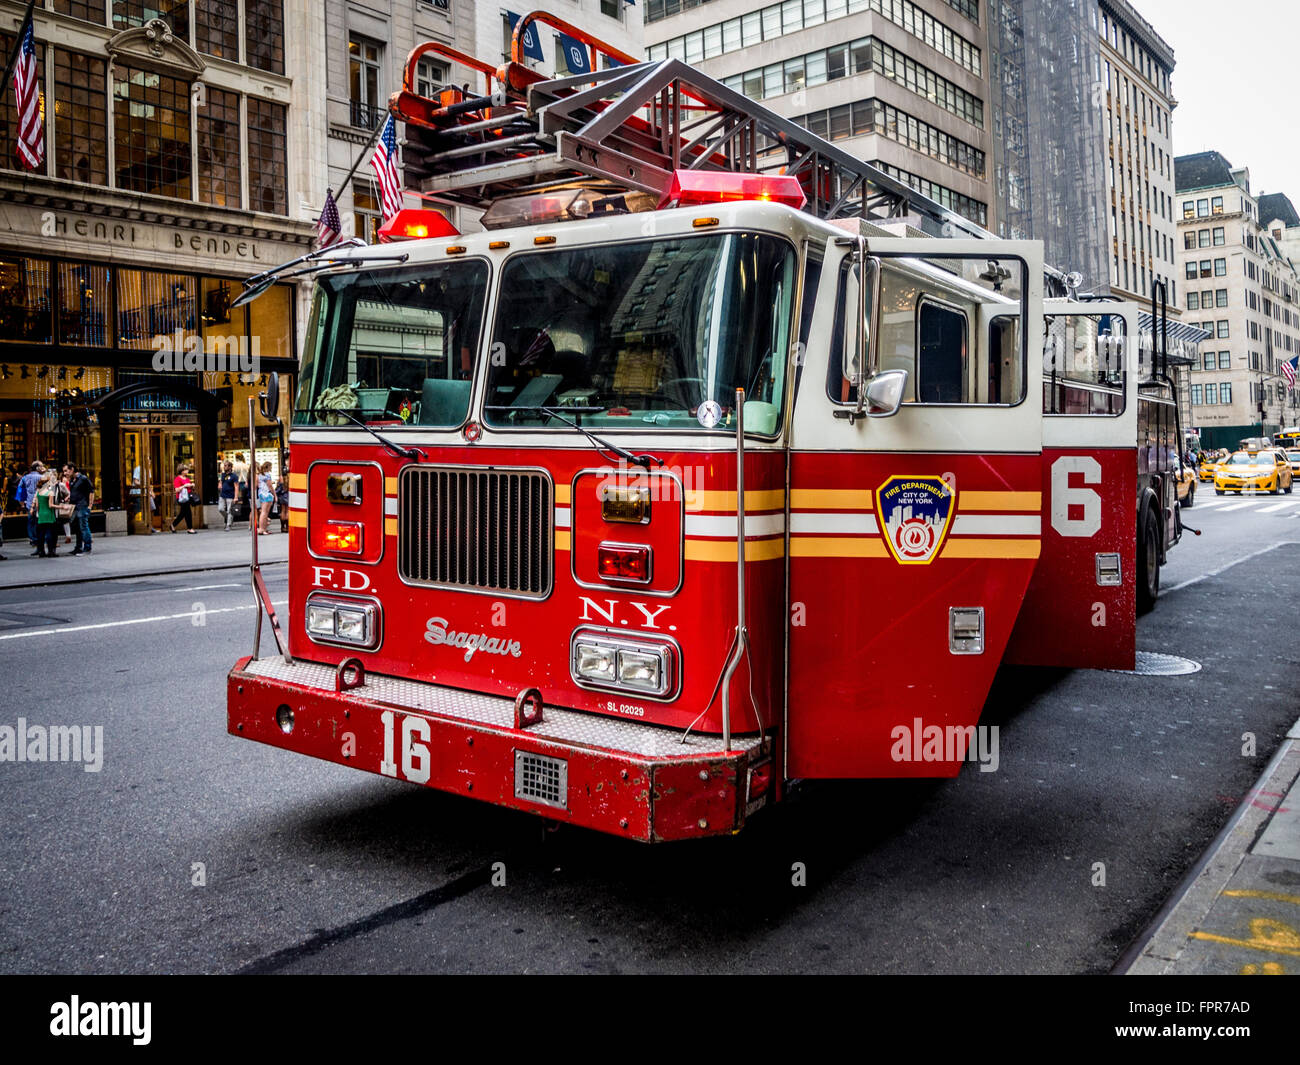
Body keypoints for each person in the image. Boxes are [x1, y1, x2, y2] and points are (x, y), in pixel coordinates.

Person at [33, 470, 67, 558]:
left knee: (42, 533)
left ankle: (42, 551)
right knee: (50, 533)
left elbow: (37, 505)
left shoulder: (39, 491)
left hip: (41, 514)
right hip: (50, 514)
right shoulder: (48, 491)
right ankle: (51, 551)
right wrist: (62, 506)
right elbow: (50, 505)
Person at [65, 463, 94, 555]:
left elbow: (91, 491)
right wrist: (69, 497)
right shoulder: (72, 480)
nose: (66, 473)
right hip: (75, 506)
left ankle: (87, 548)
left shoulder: (83, 479)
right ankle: (78, 547)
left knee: (83, 527)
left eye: (67, 470)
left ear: (72, 469)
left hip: (82, 506)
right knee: (77, 528)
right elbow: (75, 492)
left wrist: (90, 506)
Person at [18, 461, 43, 553]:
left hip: (29, 503)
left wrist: (22, 503)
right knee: (39, 522)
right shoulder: (42, 477)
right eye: (41, 466)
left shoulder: (25, 478)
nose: (43, 467)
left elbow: (20, 490)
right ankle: (40, 540)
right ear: (37, 468)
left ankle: (33, 539)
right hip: (40, 502)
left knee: (31, 521)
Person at [171, 465, 198, 533]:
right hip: (181, 498)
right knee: (188, 512)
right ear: (182, 471)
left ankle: (173, 525)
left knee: (183, 513)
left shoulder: (187, 478)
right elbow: (176, 490)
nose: (187, 471)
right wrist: (184, 486)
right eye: (186, 469)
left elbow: (189, 489)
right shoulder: (177, 479)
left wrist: (192, 486)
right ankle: (190, 528)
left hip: (187, 497)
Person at [218, 460, 239, 530]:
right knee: (220, 509)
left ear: (230, 467)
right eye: (224, 465)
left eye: (226, 465)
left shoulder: (234, 476)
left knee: (229, 510)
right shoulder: (223, 474)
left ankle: (228, 525)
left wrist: (236, 497)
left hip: (230, 495)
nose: (225, 467)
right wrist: (220, 485)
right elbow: (221, 482)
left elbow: (236, 487)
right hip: (222, 495)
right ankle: (229, 518)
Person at [256, 462, 274, 535]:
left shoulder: (259, 475)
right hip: (267, 494)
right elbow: (270, 486)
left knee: (263, 512)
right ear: (268, 467)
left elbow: (257, 485)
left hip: (261, 494)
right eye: (271, 467)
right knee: (265, 512)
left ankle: (263, 529)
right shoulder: (267, 475)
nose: (271, 468)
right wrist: (274, 494)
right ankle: (262, 529)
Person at [275, 469, 289, 533]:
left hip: (282, 497)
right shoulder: (290, 477)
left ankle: (282, 527)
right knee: (288, 511)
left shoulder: (280, 479)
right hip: (288, 496)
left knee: (283, 511)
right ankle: (287, 527)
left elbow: (278, 489)